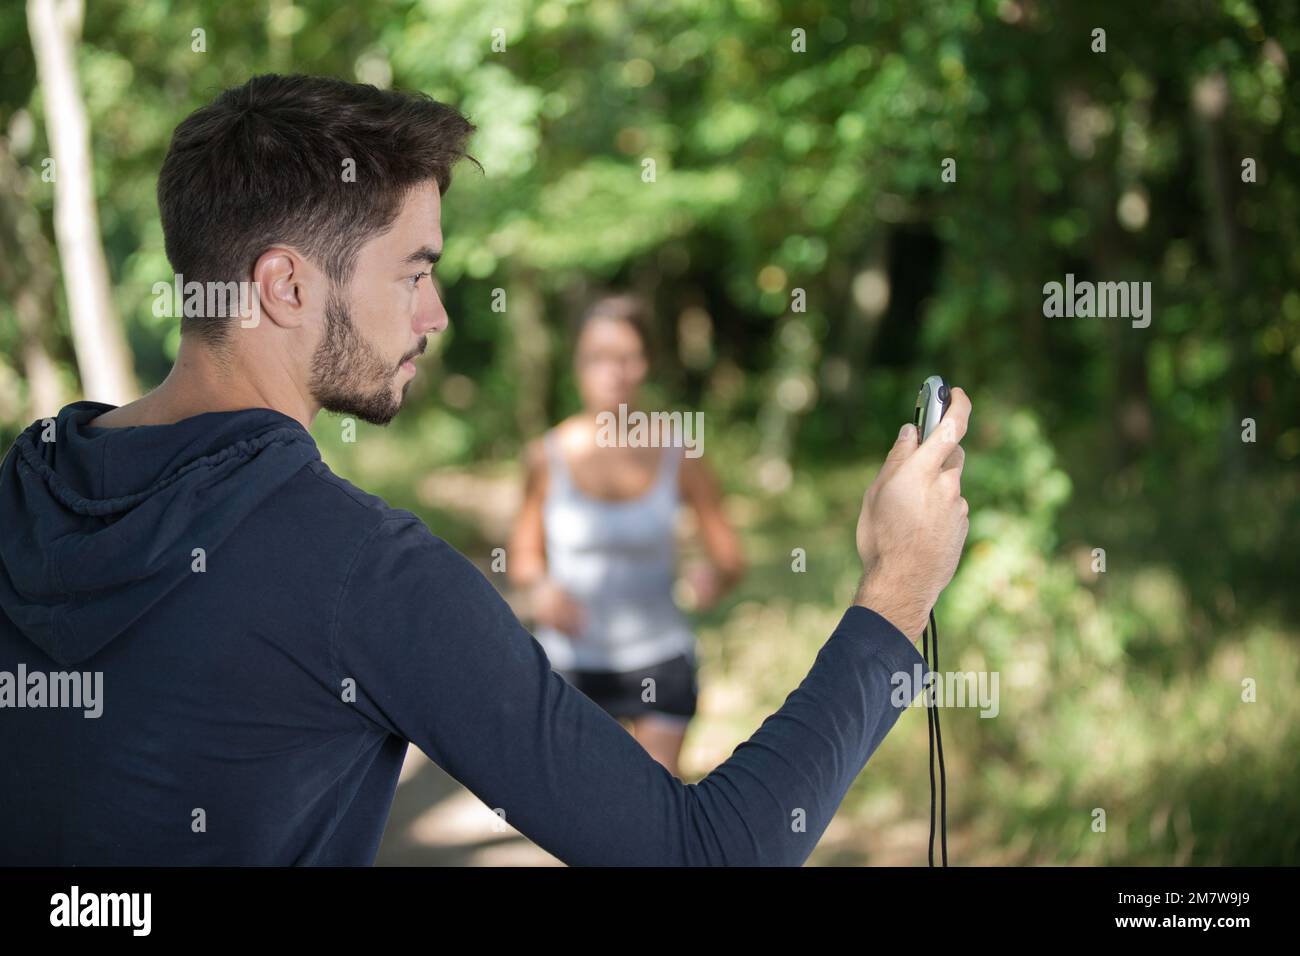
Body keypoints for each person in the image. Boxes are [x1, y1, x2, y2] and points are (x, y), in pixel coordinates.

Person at [0, 74, 971, 866]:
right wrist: (898, 589)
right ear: (285, 284)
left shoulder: (24, 487)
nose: (436, 316)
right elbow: (708, 851)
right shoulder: (363, 571)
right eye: (414, 273)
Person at [508, 293, 745, 779]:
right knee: (580, 814)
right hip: (570, 666)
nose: (611, 371)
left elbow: (730, 557)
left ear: (646, 364)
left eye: (626, 357)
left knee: (651, 813)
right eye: (597, 358)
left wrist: (712, 578)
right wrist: (541, 590)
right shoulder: (546, 455)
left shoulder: (681, 450)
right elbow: (523, 556)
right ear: (577, 364)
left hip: (660, 659)